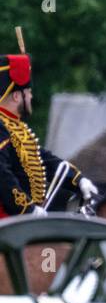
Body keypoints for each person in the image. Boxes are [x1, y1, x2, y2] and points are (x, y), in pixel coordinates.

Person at [0, 51, 97, 216]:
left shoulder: (16, 127)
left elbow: (45, 160)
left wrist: (79, 180)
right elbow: (2, 174)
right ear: (16, 96)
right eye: (28, 92)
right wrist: (27, 209)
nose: (31, 96)